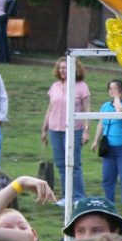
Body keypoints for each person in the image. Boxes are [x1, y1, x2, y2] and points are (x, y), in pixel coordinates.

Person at [41, 58, 90, 206]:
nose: (62, 70)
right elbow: (50, 108)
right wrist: (44, 129)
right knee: (61, 164)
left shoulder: (82, 87)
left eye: (66, 68)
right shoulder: (55, 86)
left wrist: (87, 131)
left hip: (74, 130)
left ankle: (78, 197)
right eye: (61, 68)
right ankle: (66, 196)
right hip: (55, 129)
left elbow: (87, 110)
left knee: (74, 164)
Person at [92, 78, 122, 210]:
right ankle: (109, 202)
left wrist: (117, 98)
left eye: (115, 89)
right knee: (108, 176)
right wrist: (96, 140)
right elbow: (101, 123)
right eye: (110, 89)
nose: (112, 92)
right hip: (109, 146)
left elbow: (120, 113)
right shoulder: (105, 106)